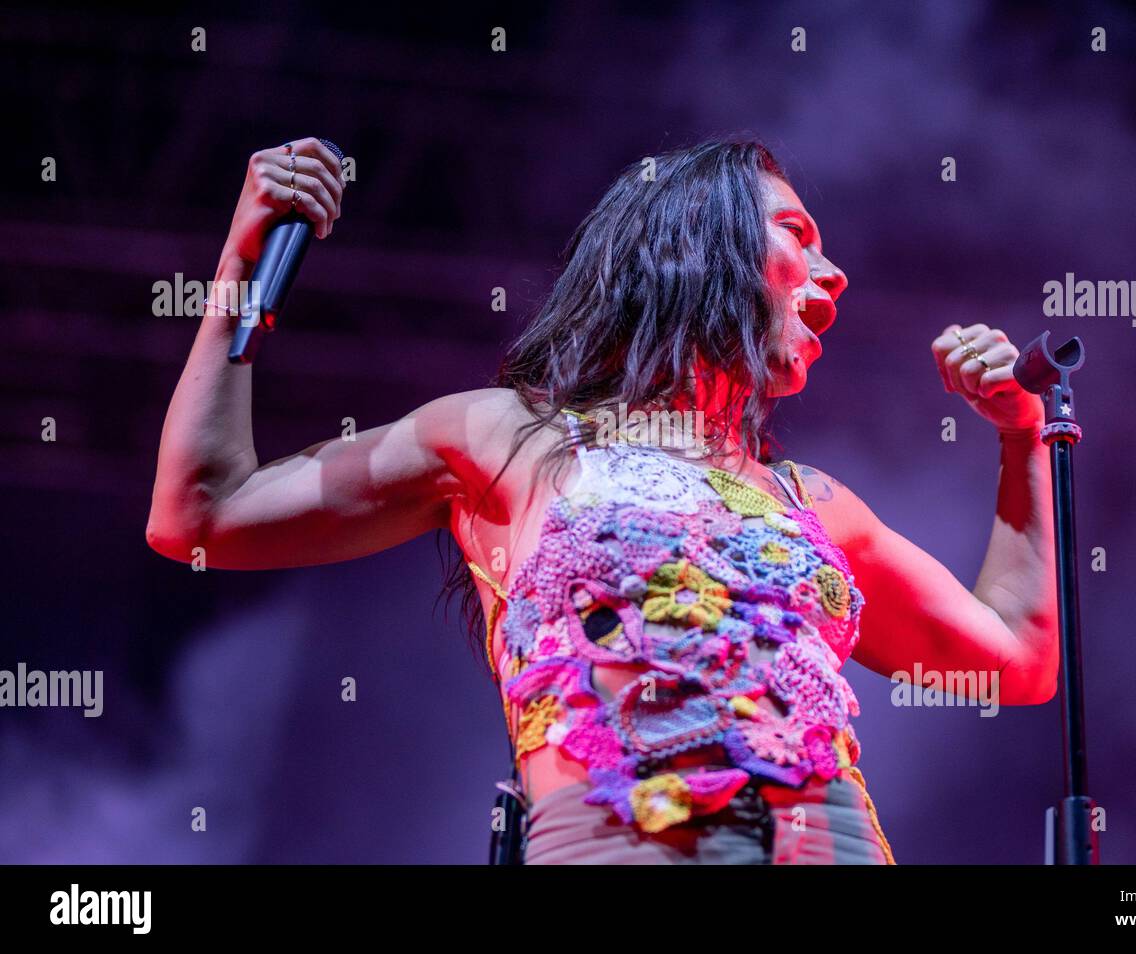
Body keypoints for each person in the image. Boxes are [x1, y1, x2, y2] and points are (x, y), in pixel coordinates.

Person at [147, 137, 1059, 864]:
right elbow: (201, 514)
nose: (837, 274)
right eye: (797, 233)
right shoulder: (509, 437)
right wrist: (244, 259)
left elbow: (1017, 659)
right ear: (698, 240)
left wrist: (1021, 436)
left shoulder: (814, 503)